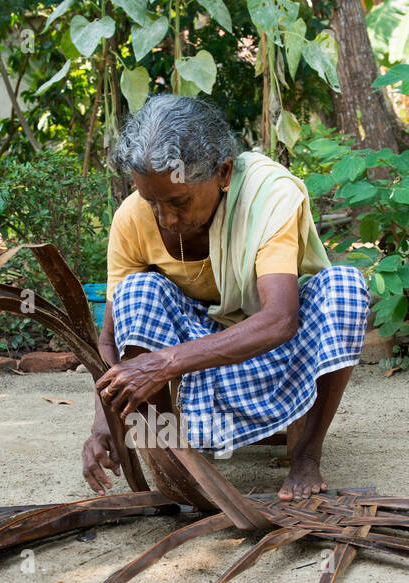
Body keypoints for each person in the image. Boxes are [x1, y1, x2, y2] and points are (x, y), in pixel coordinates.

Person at [83, 94, 369, 502]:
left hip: (271, 344)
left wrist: (164, 363)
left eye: (179, 202)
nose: (166, 218)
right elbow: (109, 340)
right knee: (136, 291)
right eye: (153, 202)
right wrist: (102, 424)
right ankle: (171, 456)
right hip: (196, 351)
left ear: (224, 172)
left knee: (344, 288)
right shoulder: (132, 218)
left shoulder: (268, 196)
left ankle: (306, 455)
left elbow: (279, 319)